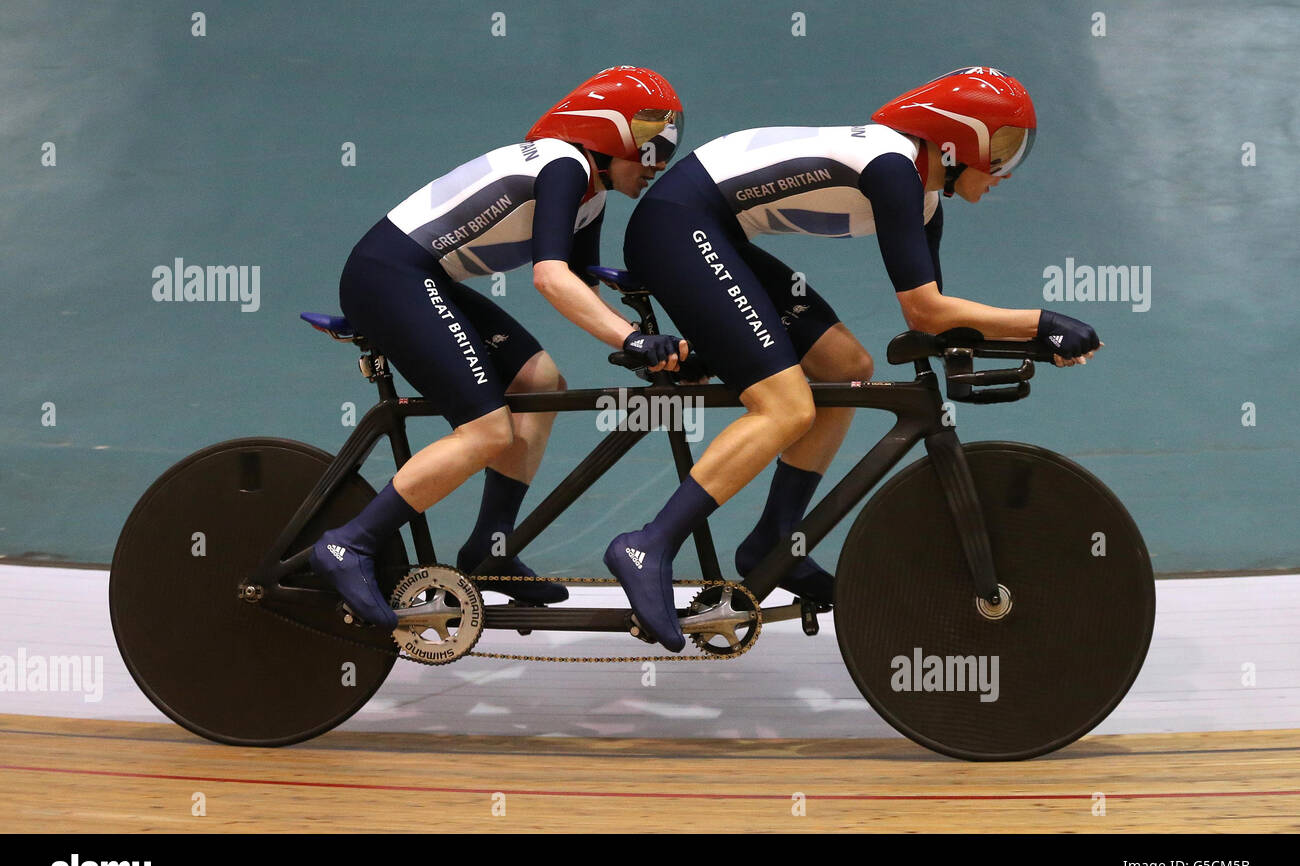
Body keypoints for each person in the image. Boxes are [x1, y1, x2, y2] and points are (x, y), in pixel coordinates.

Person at [606, 66, 1101, 651]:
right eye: (1004, 146)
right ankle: (649, 543)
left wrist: (1026, 341)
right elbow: (927, 311)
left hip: (711, 229)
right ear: (957, 137)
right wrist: (1041, 322)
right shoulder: (894, 169)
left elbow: (933, 320)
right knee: (783, 407)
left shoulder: (923, 198)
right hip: (677, 226)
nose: (1006, 170)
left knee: (846, 370)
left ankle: (773, 542)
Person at [312, 67, 687, 629]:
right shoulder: (564, 166)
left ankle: (489, 550)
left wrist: (650, 321)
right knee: (488, 430)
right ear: (609, 135)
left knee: (539, 381)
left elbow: (581, 282)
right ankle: (349, 544)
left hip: (421, 278)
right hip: (390, 277)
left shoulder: (590, 194)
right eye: (652, 144)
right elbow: (550, 278)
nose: (659, 163)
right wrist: (631, 339)